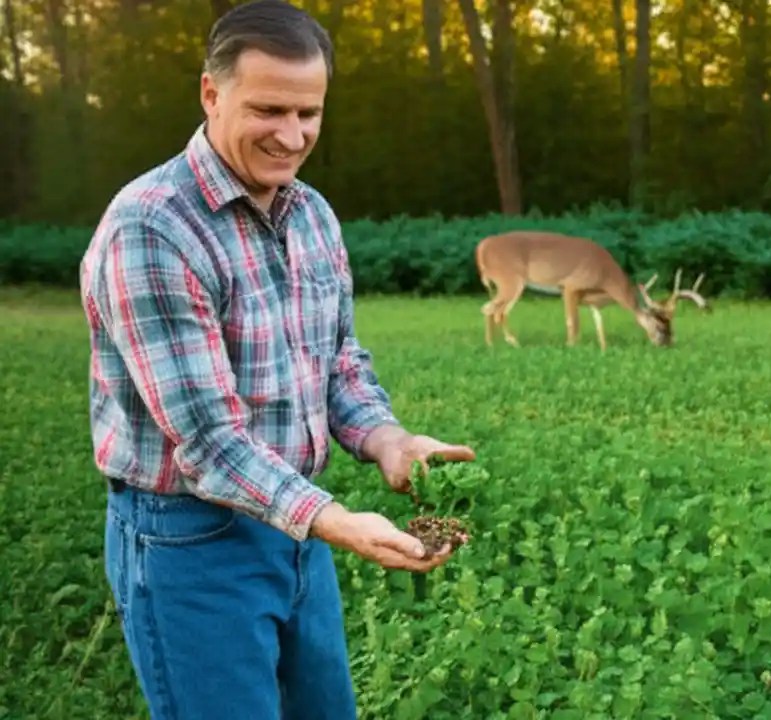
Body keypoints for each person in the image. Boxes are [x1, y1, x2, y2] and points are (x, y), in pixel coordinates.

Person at [77, 1, 475, 717]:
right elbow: (209, 442)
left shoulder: (312, 213)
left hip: (296, 532)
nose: (292, 136)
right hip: (190, 541)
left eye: (309, 113)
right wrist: (333, 520)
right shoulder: (152, 228)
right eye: (269, 109)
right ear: (211, 93)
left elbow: (338, 363)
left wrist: (385, 439)